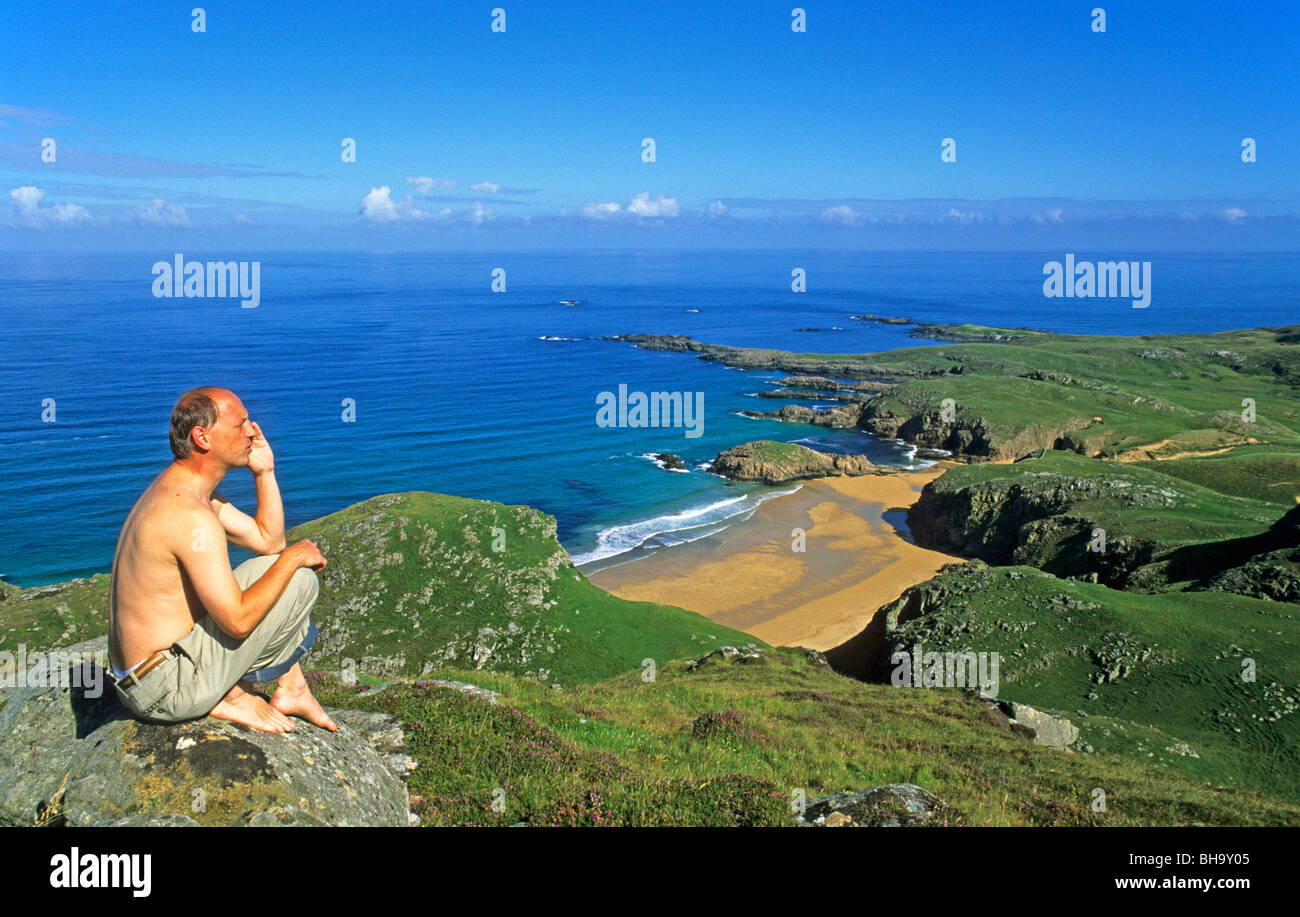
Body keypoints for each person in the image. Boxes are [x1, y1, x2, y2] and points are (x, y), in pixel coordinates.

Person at [105, 386, 336, 733]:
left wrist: (265, 473)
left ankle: (293, 687)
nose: (253, 431)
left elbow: (268, 540)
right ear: (202, 437)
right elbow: (238, 621)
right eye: (240, 424)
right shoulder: (189, 515)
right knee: (298, 578)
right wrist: (293, 559)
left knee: (273, 571)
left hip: (143, 677)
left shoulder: (186, 492)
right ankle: (231, 696)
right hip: (164, 689)